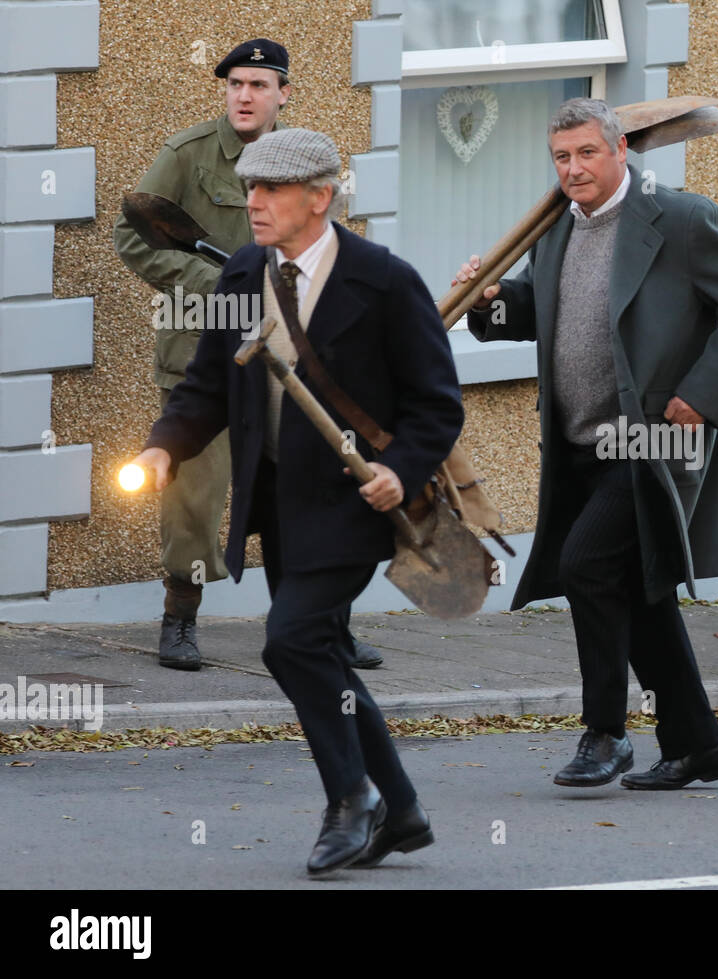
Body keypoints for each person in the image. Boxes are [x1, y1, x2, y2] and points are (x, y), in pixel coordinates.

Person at [127, 128, 463, 875]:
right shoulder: (245, 272)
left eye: (271, 190)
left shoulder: (384, 280)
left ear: (320, 197)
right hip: (277, 501)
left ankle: (352, 799)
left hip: (352, 502)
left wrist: (401, 471)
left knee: (289, 641)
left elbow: (438, 406)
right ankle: (402, 808)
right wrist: (163, 445)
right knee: (325, 652)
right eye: (249, 188)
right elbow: (208, 384)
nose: (253, 202)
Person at [455, 98, 718, 790]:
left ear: (621, 149)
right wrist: (489, 306)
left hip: (649, 443)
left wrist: (703, 394)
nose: (573, 169)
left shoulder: (682, 221)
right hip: (577, 444)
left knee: (587, 566)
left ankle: (605, 732)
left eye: (586, 154)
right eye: (562, 157)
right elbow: (542, 312)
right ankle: (697, 743)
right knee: (640, 591)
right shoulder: (554, 229)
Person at [112, 38, 384, 671]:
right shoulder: (188, 153)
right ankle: (180, 618)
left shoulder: (304, 159)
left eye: (258, 85)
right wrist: (223, 283)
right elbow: (135, 230)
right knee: (193, 496)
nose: (244, 95)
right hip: (201, 351)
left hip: (292, 357)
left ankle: (320, 623)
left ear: (282, 93)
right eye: (235, 83)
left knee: (311, 485)